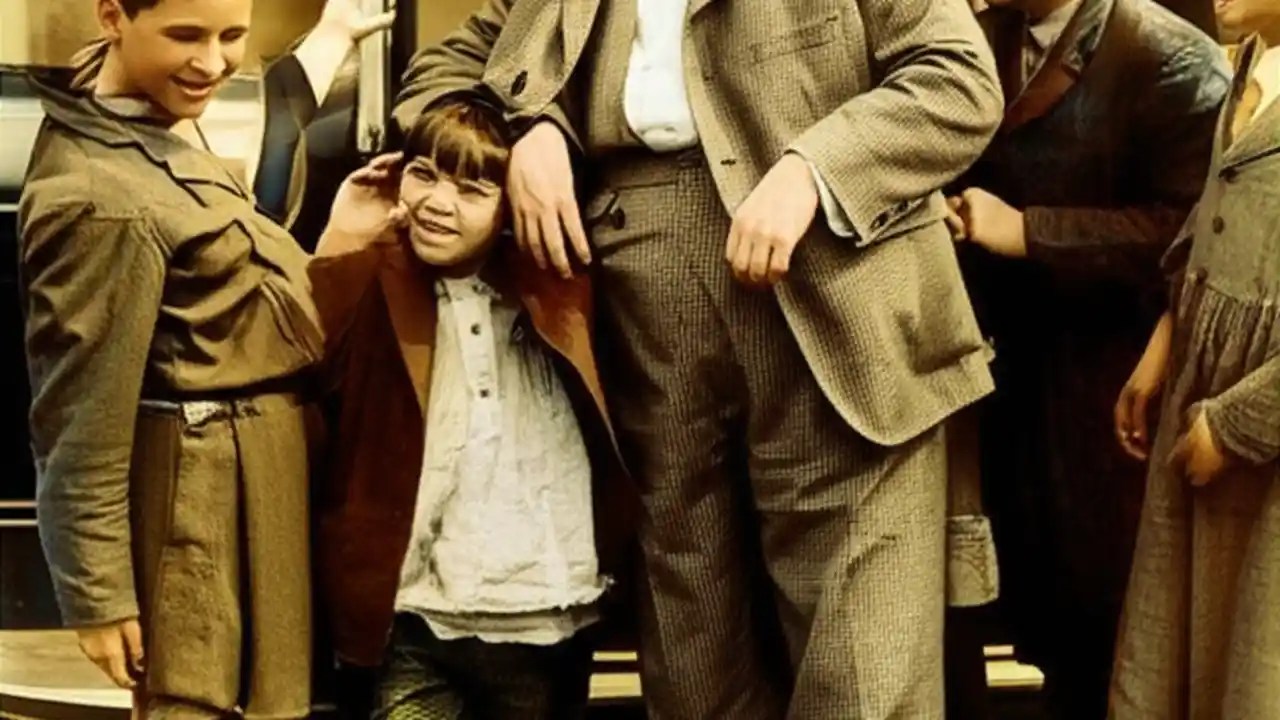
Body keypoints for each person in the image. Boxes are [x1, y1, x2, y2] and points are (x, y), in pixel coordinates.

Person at [392, 1, 1005, 717]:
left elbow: (959, 80)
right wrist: (525, 130)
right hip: (643, 304)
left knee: (861, 659)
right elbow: (438, 71)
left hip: (839, 293)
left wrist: (815, 170)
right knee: (692, 647)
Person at [17, 0, 390, 717]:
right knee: (196, 702)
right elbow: (77, 417)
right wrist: (97, 597)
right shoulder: (99, 198)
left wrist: (334, 34)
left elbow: (267, 127)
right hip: (202, 489)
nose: (213, 63)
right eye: (185, 36)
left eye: (232, 36)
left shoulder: (147, 105)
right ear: (112, 17)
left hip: (263, 467)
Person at [941, 0, 1229, 717]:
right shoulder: (976, 39)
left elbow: (1197, 235)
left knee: (1111, 624)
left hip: (1116, 390)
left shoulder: (1174, 59)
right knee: (1043, 618)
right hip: (1014, 382)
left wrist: (1031, 232)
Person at [306, 97, 635, 719]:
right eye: (423, 174)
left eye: (471, 189)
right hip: (413, 616)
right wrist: (344, 237)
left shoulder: (557, 295)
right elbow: (303, 360)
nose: (437, 203)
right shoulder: (381, 283)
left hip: (544, 613)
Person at [1109, 1, 1280, 716]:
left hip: (1259, 417)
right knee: (1173, 657)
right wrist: (1166, 340)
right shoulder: (1248, 61)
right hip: (1199, 382)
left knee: (1252, 660)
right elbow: (1214, 212)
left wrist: (1239, 426)